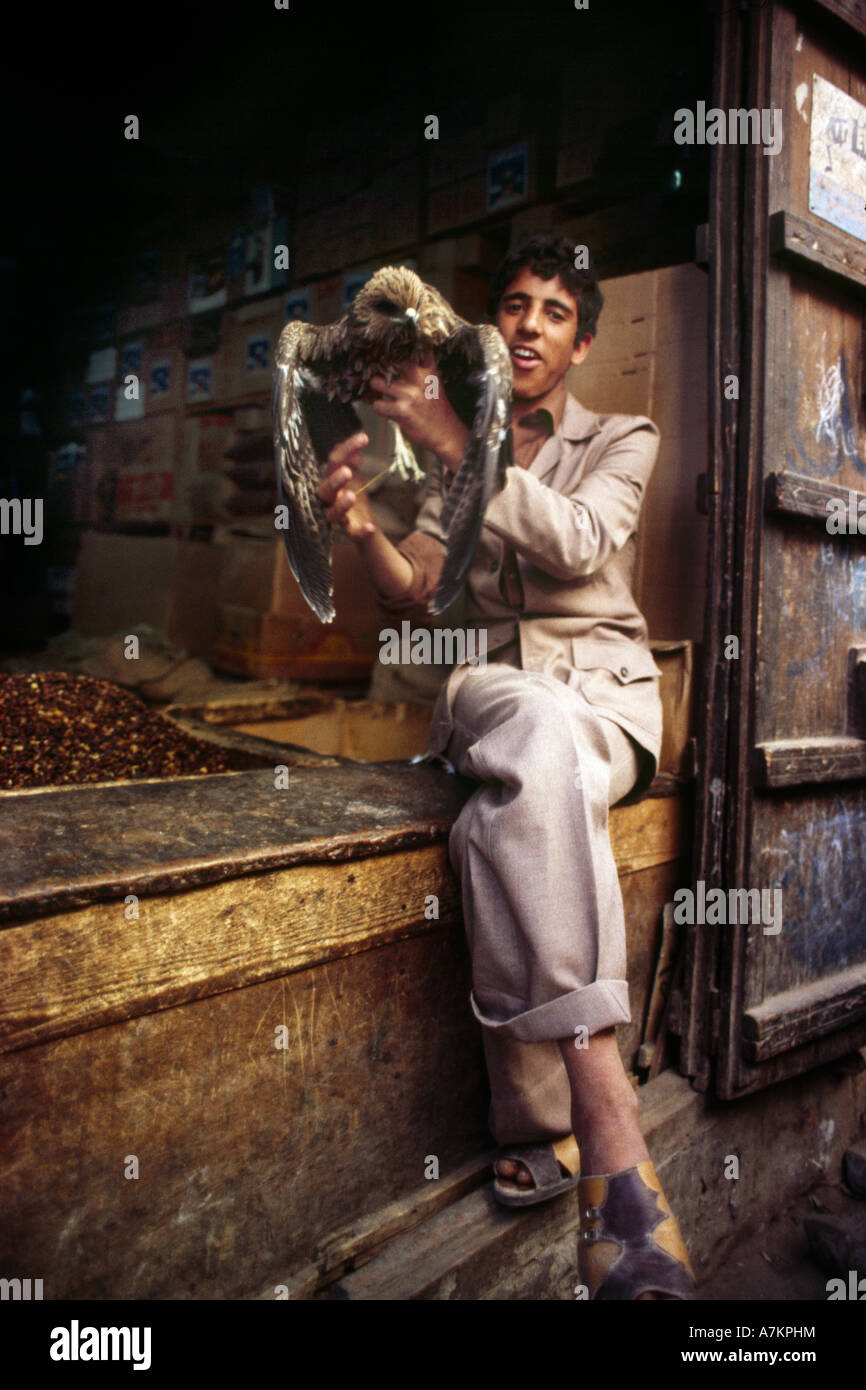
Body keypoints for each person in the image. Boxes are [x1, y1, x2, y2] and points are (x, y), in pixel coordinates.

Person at [317, 233, 695, 1301]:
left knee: (515, 798)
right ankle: (608, 1121)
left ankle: (541, 1113)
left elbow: (578, 543)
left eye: (553, 312)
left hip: (603, 709)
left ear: (577, 344)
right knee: (516, 727)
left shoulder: (622, 437)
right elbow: (416, 591)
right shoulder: (452, 467)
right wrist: (353, 525)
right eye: (514, 306)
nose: (528, 323)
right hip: (492, 690)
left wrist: (446, 433)